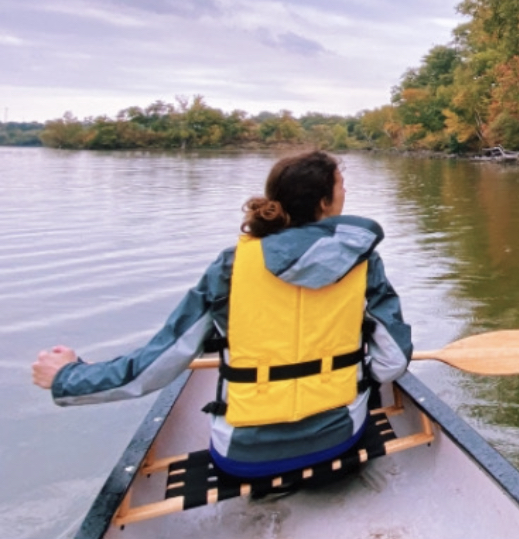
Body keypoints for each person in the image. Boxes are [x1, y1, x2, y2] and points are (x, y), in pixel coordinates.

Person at [31, 150, 412, 478]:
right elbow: (391, 363)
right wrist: (360, 370)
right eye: (341, 184)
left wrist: (69, 377)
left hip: (243, 455)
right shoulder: (364, 262)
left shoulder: (231, 265)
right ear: (325, 204)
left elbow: (155, 367)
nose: (346, 191)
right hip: (336, 437)